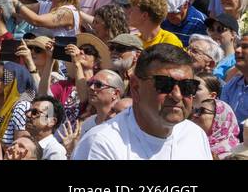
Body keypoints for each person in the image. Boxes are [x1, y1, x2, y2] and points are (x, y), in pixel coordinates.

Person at [73, 45, 211, 159]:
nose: (177, 95)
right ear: (135, 87)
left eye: (187, 86)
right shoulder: (101, 143)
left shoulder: (195, 135)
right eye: (164, 85)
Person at [191, 77, 241, 158]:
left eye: (201, 111)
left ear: (220, 120)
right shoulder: (186, 144)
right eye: (194, 110)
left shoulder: (234, 156)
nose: (193, 116)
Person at [25, 95, 67, 159]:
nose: (28, 115)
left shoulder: (55, 151)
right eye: (28, 111)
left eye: (35, 112)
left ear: (51, 121)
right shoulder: (23, 144)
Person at [222, 35, 248, 122]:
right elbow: (223, 118)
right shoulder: (232, 84)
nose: (237, 50)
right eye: (238, 46)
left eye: (245, 47)